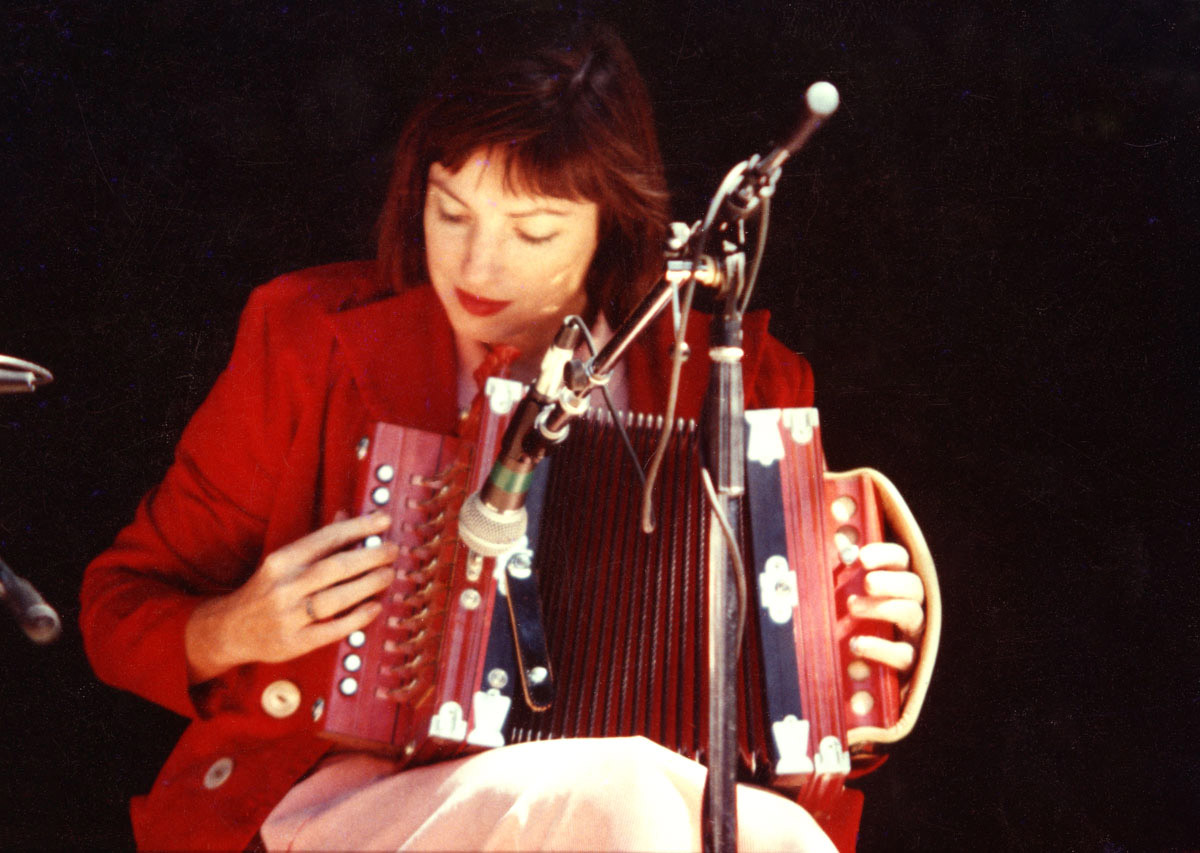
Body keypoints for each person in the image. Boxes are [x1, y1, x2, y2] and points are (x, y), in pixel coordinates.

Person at [80, 17, 926, 852]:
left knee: (765, 832)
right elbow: (119, 607)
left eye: (533, 231)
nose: (477, 266)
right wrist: (235, 628)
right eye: (452, 214)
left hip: (658, 799)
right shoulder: (308, 339)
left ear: (612, 223)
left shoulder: (745, 378)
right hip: (361, 799)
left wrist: (858, 649)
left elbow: (810, 728)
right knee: (619, 791)